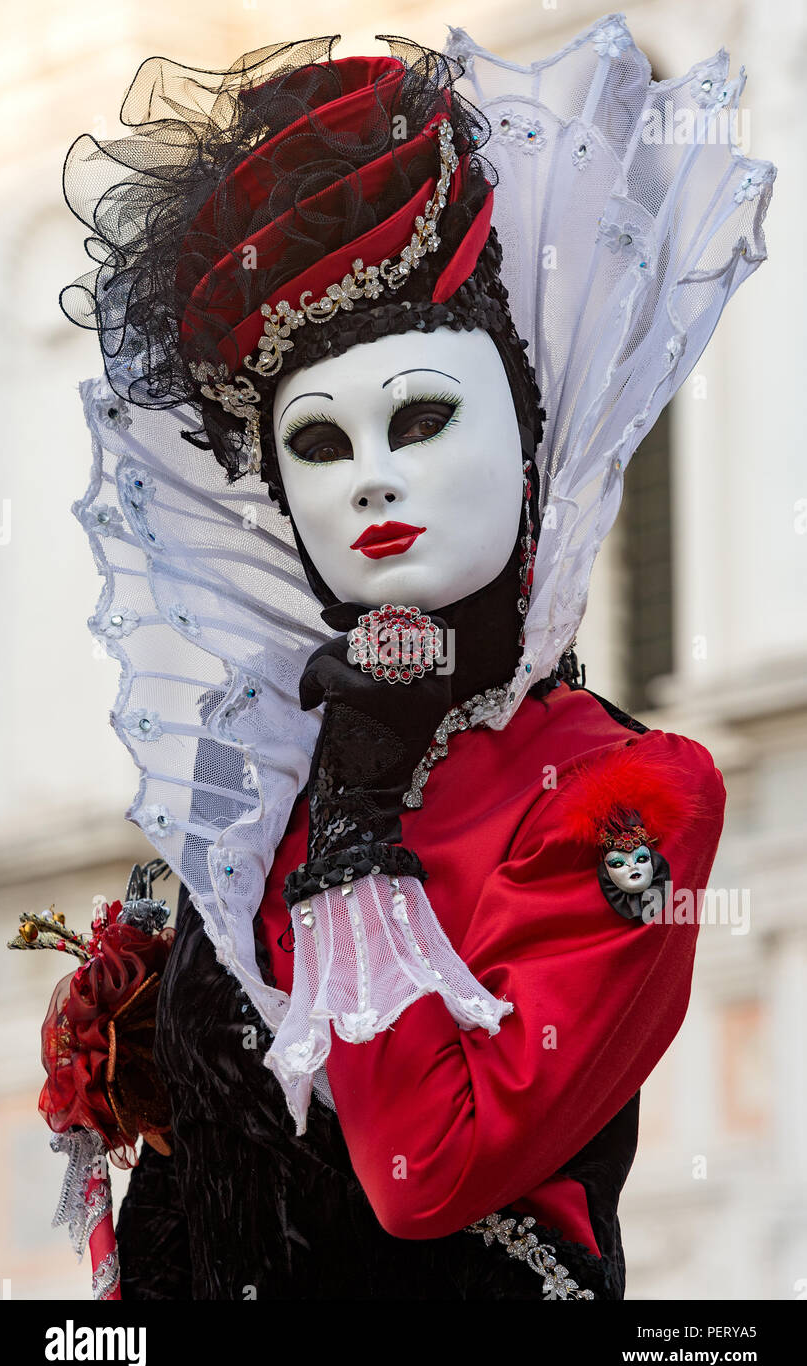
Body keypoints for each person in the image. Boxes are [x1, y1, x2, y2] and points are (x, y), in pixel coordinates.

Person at [48, 19, 774, 1299]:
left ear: (528, 438)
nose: (373, 474)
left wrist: (359, 836)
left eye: (424, 415)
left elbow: (422, 1175)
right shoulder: (277, 777)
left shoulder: (631, 794)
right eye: (317, 445)